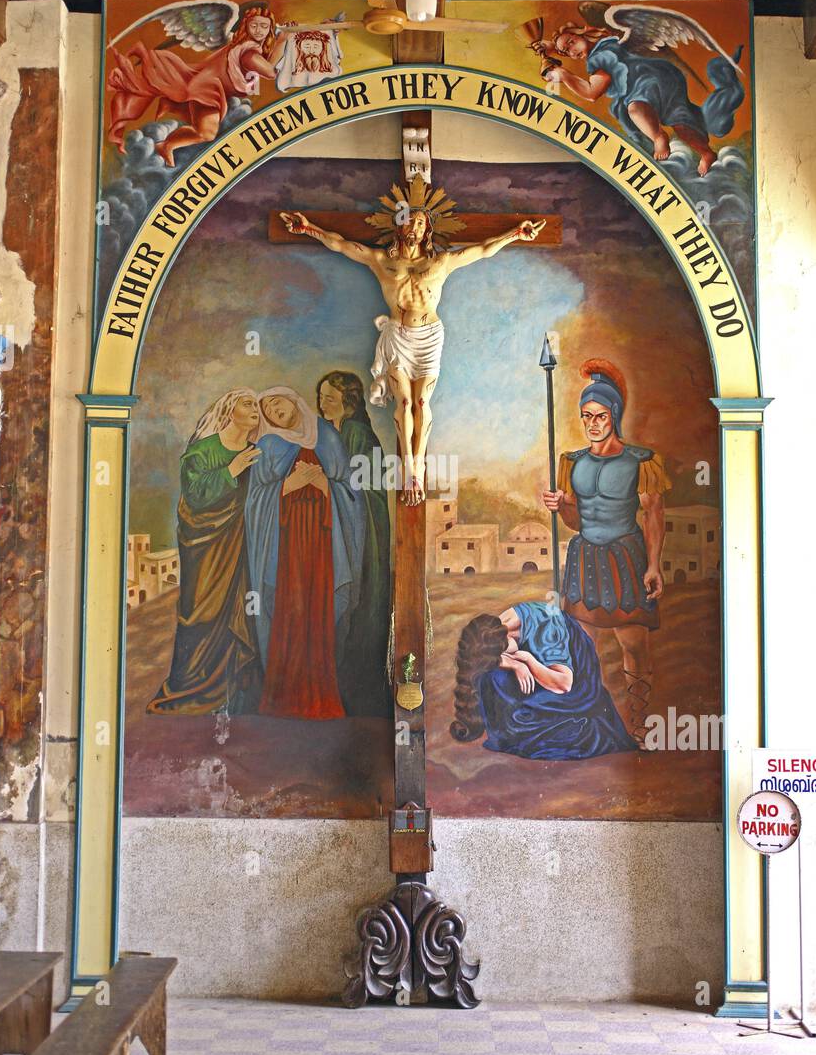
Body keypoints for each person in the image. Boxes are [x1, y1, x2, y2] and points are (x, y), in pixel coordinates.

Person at [280, 198, 544, 505]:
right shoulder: (382, 261)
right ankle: (409, 470)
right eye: (409, 221)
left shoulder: (440, 263)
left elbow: (483, 249)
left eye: (421, 223)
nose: (414, 227)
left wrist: (516, 234)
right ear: (399, 224)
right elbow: (341, 245)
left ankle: (418, 467)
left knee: (421, 401)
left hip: (429, 337)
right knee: (404, 402)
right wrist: (308, 228)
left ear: (427, 230)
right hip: (397, 336)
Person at [542, 358, 670, 743]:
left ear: (613, 414)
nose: (592, 423)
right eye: (586, 416)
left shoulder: (640, 462)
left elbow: (652, 515)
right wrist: (560, 504)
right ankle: (586, 720)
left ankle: (639, 721)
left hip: (624, 557)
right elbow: (576, 523)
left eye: (599, 415)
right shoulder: (572, 462)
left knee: (633, 644)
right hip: (585, 558)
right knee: (582, 646)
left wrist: (654, 565)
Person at [243, 387, 365, 720]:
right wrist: (286, 488)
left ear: (293, 399)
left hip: (325, 545)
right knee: (289, 610)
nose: (272, 408)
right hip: (286, 548)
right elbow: (254, 502)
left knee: (320, 613)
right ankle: (283, 698)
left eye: (276, 400)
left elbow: (352, 491)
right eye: (266, 407)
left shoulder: (325, 436)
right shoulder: (268, 445)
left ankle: (321, 696)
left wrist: (328, 487)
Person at [148, 389, 262, 716]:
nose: (255, 409)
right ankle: (186, 686)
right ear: (229, 410)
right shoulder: (202, 452)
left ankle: (234, 689)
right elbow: (194, 498)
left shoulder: (256, 452)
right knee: (199, 613)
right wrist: (231, 470)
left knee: (240, 612)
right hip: (206, 548)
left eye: (256, 405)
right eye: (247, 403)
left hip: (243, 547)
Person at [545, 20, 743, 177]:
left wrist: (564, 76)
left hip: (646, 80)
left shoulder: (600, 57)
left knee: (634, 109)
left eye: (571, 42)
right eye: (566, 51)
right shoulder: (609, 43)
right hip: (665, 77)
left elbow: (591, 93)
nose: (571, 50)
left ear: (581, 33)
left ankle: (658, 137)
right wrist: (550, 49)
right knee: (680, 122)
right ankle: (706, 153)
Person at [450, 599, 635, 760]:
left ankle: (537, 725)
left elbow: (564, 684)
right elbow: (490, 657)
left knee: (539, 728)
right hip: (540, 665)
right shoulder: (492, 631)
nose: (504, 656)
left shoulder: (547, 629)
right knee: (491, 677)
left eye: (503, 652)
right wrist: (516, 665)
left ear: (508, 638)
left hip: (573, 681)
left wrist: (528, 660)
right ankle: (521, 725)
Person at [108, 5, 286, 164]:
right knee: (206, 133)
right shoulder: (248, 53)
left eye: (264, 26)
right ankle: (166, 145)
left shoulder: (243, 46)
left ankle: (167, 146)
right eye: (254, 25)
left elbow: (264, 64)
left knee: (205, 132)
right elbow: (270, 72)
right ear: (246, 25)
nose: (259, 30)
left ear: (270, 28)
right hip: (207, 89)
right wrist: (282, 41)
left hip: (208, 87)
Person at [316, 371, 391, 717]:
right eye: (321, 398)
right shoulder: (336, 432)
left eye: (329, 398)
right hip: (348, 531)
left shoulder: (355, 432)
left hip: (363, 535)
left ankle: (354, 692)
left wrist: (322, 480)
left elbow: (356, 487)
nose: (322, 404)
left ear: (347, 401)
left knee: (357, 608)